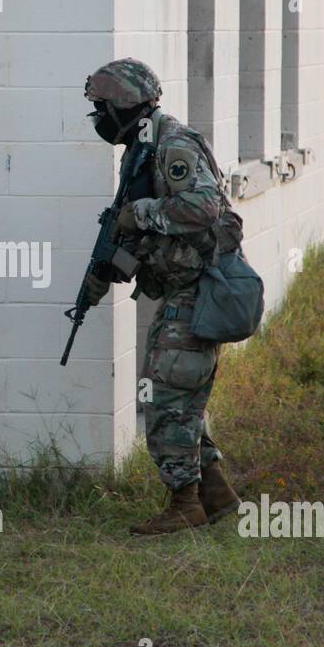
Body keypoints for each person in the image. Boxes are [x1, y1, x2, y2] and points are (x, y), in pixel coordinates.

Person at [82, 58, 243, 536]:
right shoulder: (142, 147)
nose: (97, 119)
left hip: (197, 292)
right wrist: (102, 275)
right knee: (180, 396)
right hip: (179, 291)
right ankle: (214, 495)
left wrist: (140, 214)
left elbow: (203, 206)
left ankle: (184, 505)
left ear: (124, 105)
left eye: (101, 108)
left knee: (166, 399)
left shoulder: (172, 144)